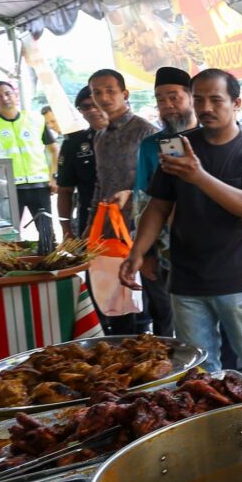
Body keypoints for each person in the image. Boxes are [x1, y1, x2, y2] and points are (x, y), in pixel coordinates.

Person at [121, 69, 242, 374]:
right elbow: (158, 206)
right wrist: (138, 252)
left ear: (236, 102)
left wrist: (199, 177)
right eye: (199, 99)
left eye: (216, 99)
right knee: (197, 369)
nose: (206, 107)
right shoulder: (176, 146)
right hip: (186, 279)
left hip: (239, 280)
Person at [131, 66, 205, 338]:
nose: (167, 105)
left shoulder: (212, 137)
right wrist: (146, 252)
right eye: (160, 99)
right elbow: (142, 201)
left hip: (215, 253)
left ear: (191, 97)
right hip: (166, 253)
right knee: (170, 321)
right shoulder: (152, 145)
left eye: (174, 97)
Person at [89, 68, 159, 335]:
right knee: (118, 300)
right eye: (97, 92)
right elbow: (100, 184)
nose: (104, 97)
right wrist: (90, 229)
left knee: (154, 301)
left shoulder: (146, 132)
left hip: (144, 227)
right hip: (111, 231)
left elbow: (161, 181)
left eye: (110, 91)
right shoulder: (100, 136)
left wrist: (130, 193)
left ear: (125, 94)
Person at [0, 80, 58, 248]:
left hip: (39, 185)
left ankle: (49, 261)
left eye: (7, 93)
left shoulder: (36, 120)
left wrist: (53, 176)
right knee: (8, 234)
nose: (4, 98)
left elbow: (53, 149)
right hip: (8, 188)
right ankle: (13, 264)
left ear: (15, 94)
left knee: (46, 232)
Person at [56, 86, 108, 239]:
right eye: (85, 107)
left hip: (130, 217)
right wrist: (66, 229)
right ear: (80, 111)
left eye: (96, 105)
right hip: (90, 220)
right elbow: (65, 191)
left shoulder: (132, 136)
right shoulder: (74, 143)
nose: (92, 110)